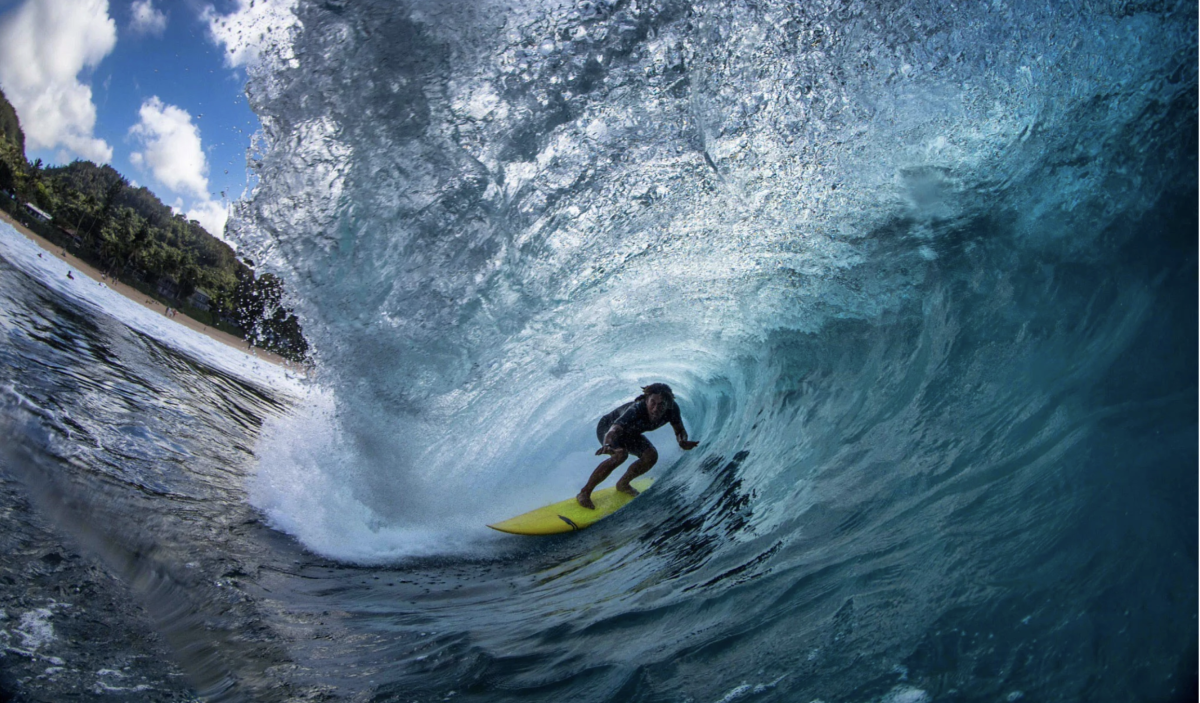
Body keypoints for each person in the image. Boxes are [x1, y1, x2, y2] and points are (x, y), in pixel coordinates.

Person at [577, 383, 699, 509]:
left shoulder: (672, 410)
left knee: (651, 456)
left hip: (631, 433)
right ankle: (584, 493)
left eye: (661, 404)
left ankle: (623, 484)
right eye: (653, 402)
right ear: (646, 400)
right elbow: (614, 430)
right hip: (608, 428)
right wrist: (607, 444)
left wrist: (682, 441)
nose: (656, 408)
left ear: (667, 404)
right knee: (620, 455)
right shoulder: (636, 409)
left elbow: (679, 431)